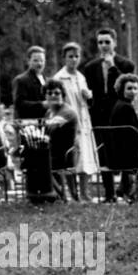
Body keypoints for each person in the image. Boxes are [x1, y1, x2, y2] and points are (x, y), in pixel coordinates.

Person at [81, 27, 136, 202]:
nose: (103, 45)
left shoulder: (126, 65)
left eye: (107, 42)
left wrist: (112, 67)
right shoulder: (90, 67)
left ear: (114, 43)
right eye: (100, 42)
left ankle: (126, 190)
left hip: (120, 113)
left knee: (124, 150)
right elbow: (91, 92)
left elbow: (127, 87)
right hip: (99, 115)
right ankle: (109, 193)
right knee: (103, 153)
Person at [54, 42, 101, 201]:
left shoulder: (81, 77)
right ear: (64, 58)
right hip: (69, 122)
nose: (74, 60)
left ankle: (85, 193)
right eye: (70, 56)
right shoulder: (59, 78)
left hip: (84, 122)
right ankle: (73, 194)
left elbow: (86, 102)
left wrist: (88, 96)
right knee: (71, 158)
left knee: (85, 159)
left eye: (76, 56)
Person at [106, 73, 138, 202]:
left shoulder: (120, 104)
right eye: (129, 88)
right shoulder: (126, 107)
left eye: (135, 88)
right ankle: (135, 192)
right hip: (125, 156)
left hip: (117, 153)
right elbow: (131, 137)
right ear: (122, 89)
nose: (133, 91)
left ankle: (123, 188)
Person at [41, 78, 78, 201]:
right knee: (33, 158)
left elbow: (52, 128)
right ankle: (57, 195)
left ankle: (62, 195)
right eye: (49, 93)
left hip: (64, 154)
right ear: (45, 95)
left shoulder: (67, 112)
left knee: (38, 162)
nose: (53, 95)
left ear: (62, 95)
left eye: (57, 93)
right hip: (51, 152)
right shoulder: (49, 113)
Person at [11, 46, 49, 121]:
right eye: (35, 61)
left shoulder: (47, 80)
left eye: (42, 60)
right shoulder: (20, 80)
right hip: (27, 123)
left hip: (45, 122)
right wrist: (42, 105)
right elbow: (19, 104)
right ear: (28, 61)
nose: (39, 64)